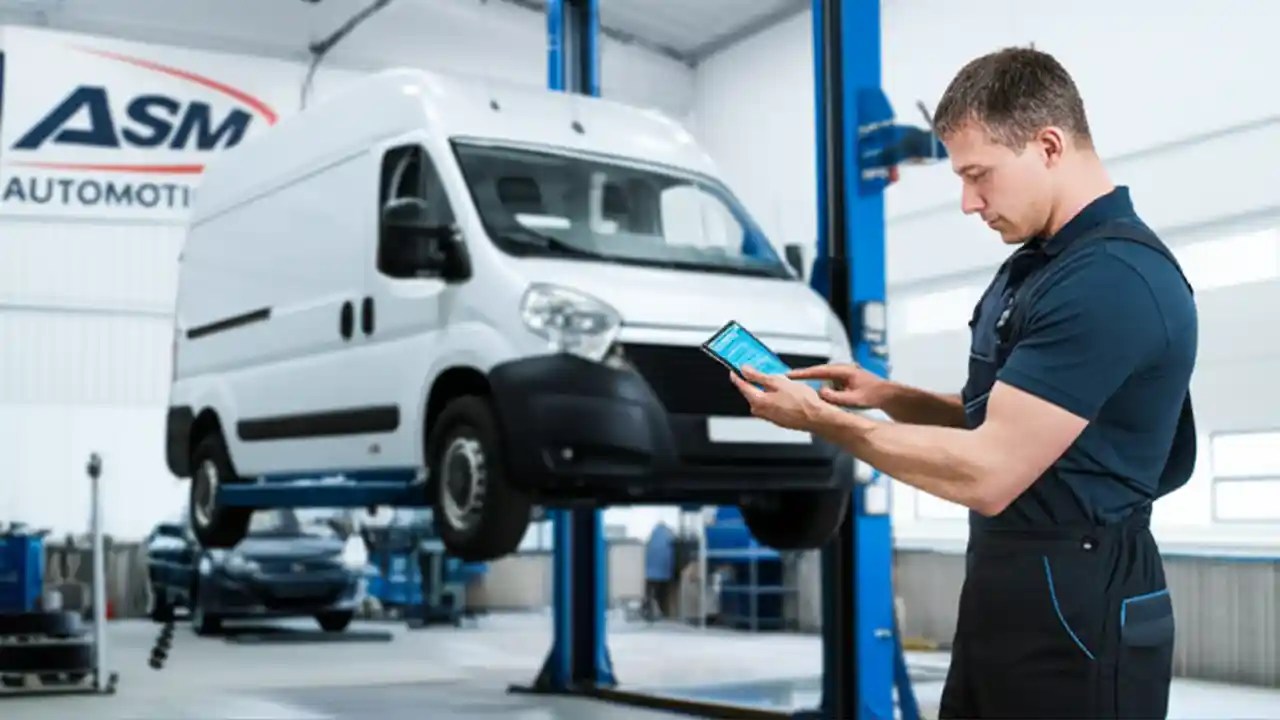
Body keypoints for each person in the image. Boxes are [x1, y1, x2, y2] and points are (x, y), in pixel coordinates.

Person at [729, 46, 1197, 719]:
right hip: (1011, 586)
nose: (967, 202)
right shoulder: (1040, 265)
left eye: (979, 175)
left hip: (1082, 604)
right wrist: (888, 397)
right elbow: (1003, 417)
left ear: (1048, 145)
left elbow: (989, 470)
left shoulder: (1111, 281)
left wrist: (823, 422)